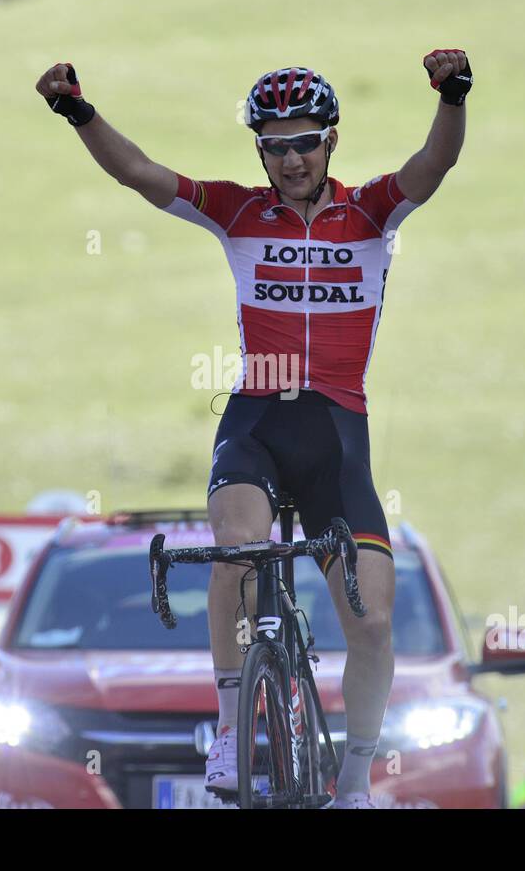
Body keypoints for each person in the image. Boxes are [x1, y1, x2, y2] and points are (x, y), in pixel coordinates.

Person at [38, 51, 472, 807]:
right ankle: (234, 727)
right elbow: (141, 173)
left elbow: (432, 166)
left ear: (331, 141)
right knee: (235, 548)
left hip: (337, 432)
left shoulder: (369, 211)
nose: (291, 158)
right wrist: (79, 110)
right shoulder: (239, 211)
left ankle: (358, 778)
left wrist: (453, 97)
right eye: (274, 145)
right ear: (259, 150)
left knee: (369, 623)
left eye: (304, 142)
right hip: (257, 419)